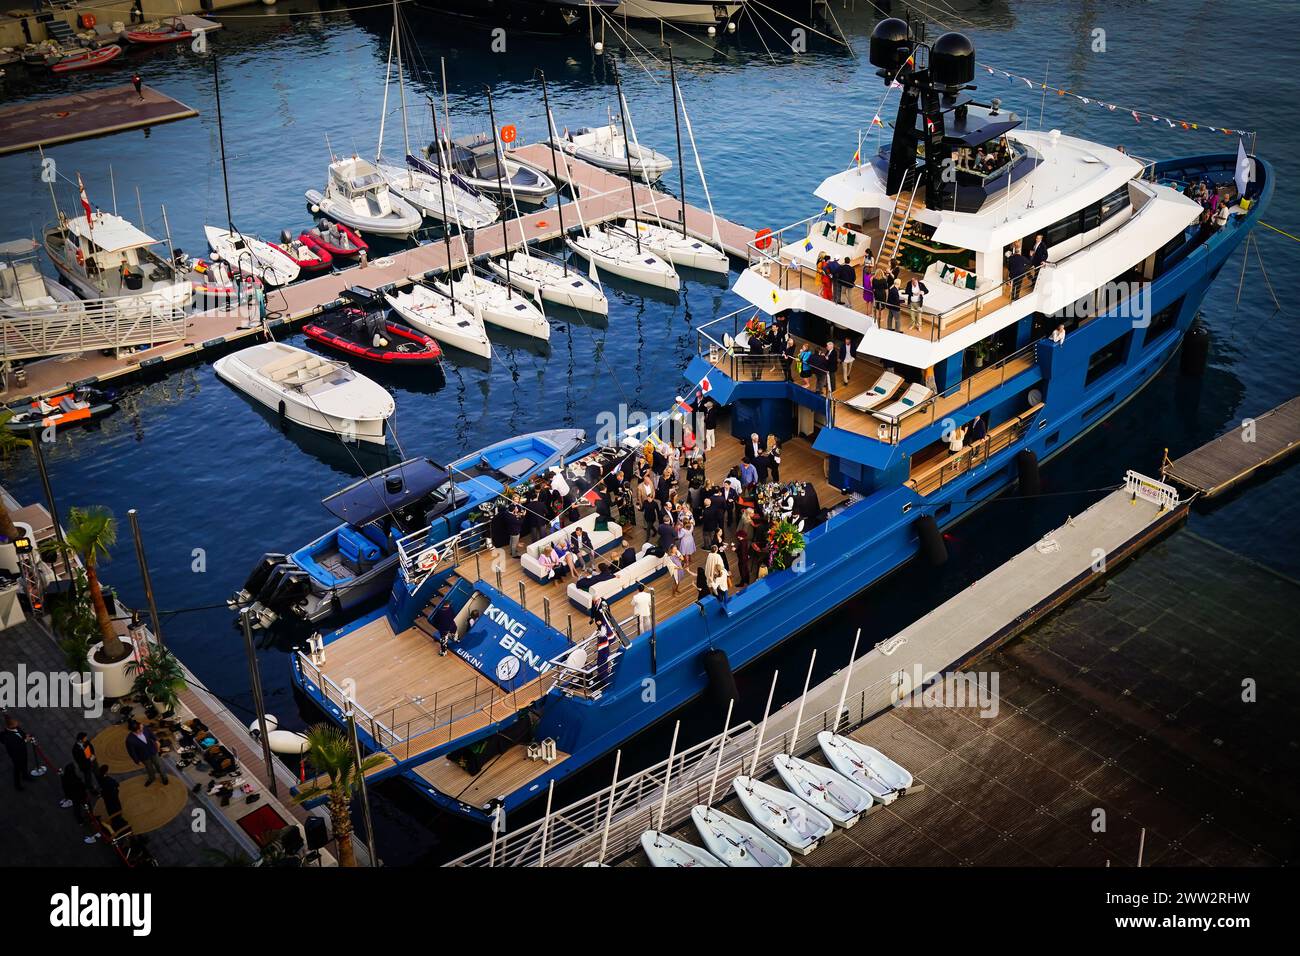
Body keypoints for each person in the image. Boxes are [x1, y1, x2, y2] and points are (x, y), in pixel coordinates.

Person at [124, 719, 168, 787]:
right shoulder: (129, 740)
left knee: (159, 765)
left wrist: (156, 740)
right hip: (144, 756)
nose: (143, 727)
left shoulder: (143, 727)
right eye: (141, 727)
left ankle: (164, 777)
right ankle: (152, 778)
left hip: (153, 751)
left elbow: (150, 733)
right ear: (137, 730)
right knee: (149, 768)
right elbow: (131, 752)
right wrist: (137, 761)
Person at [2, 716, 32, 791]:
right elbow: (17, 747)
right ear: (10, 726)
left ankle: (25, 775)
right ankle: (17, 785)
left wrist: (25, 736)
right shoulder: (8, 737)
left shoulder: (16, 728)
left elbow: (21, 733)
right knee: (17, 769)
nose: (17, 723)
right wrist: (25, 740)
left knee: (24, 763)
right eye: (15, 723)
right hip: (16, 756)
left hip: (23, 752)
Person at [96, 765, 125, 831]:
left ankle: (115, 820)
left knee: (110, 808)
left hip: (107, 797)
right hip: (112, 796)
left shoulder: (100, 777)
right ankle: (118, 822)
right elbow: (116, 784)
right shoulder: (108, 780)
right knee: (116, 808)